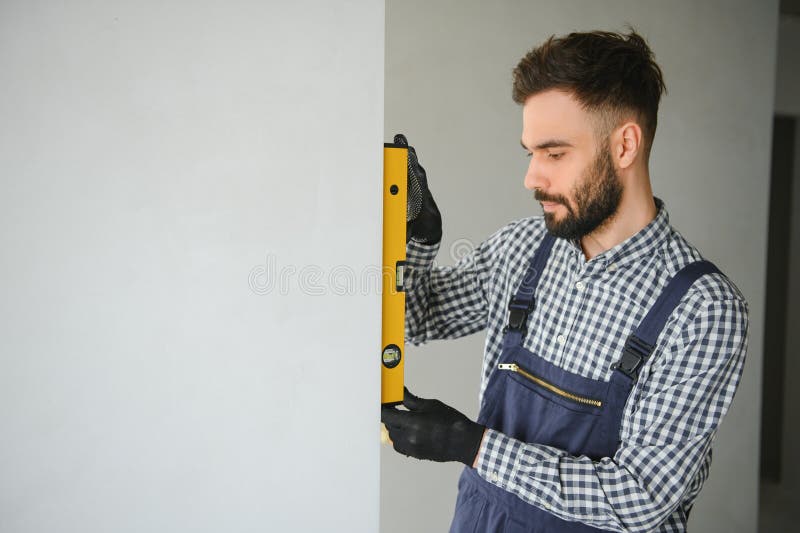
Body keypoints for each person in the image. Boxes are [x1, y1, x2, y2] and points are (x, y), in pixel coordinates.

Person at [381, 29, 749, 533]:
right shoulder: (523, 249)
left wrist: (471, 445)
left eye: (554, 154)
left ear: (624, 145)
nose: (532, 178)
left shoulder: (703, 309)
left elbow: (639, 498)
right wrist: (421, 239)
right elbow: (419, 320)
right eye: (530, 153)